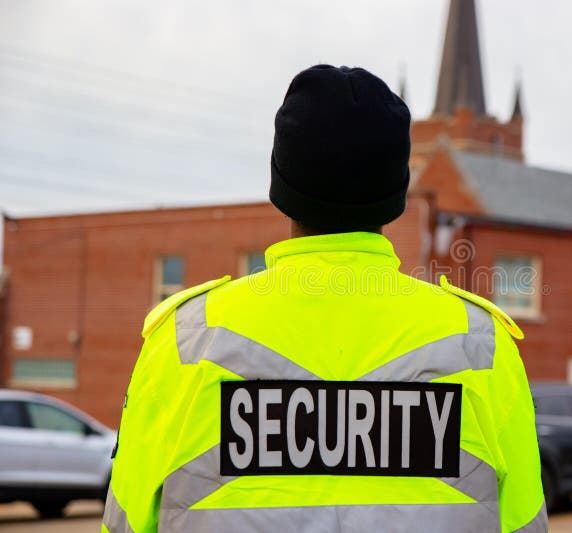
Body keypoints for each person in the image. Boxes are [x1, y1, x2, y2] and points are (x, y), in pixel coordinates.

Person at [102, 64, 547, 533]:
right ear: (396, 193)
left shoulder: (184, 340)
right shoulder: (480, 344)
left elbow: (125, 522)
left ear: (281, 185)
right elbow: (523, 523)